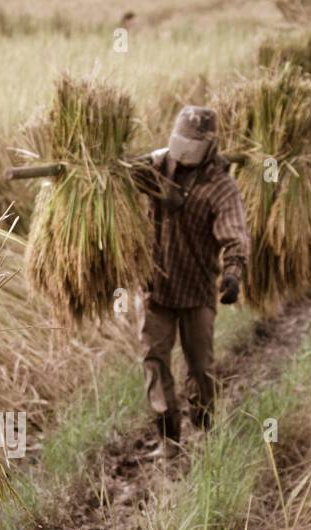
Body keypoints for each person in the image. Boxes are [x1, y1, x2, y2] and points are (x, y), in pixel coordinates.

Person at [132, 105, 249, 456]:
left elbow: (235, 234)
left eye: (192, 146)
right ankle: (168, 438)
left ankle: (205, 429)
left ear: (210, 145)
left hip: (197, 287)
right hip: (155, 284)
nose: (183, 154)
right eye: (179, 143)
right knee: (154, 359)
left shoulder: (221, 186)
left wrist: (232, 273)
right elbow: (119, 174)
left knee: (200, 366)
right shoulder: (156, 166)